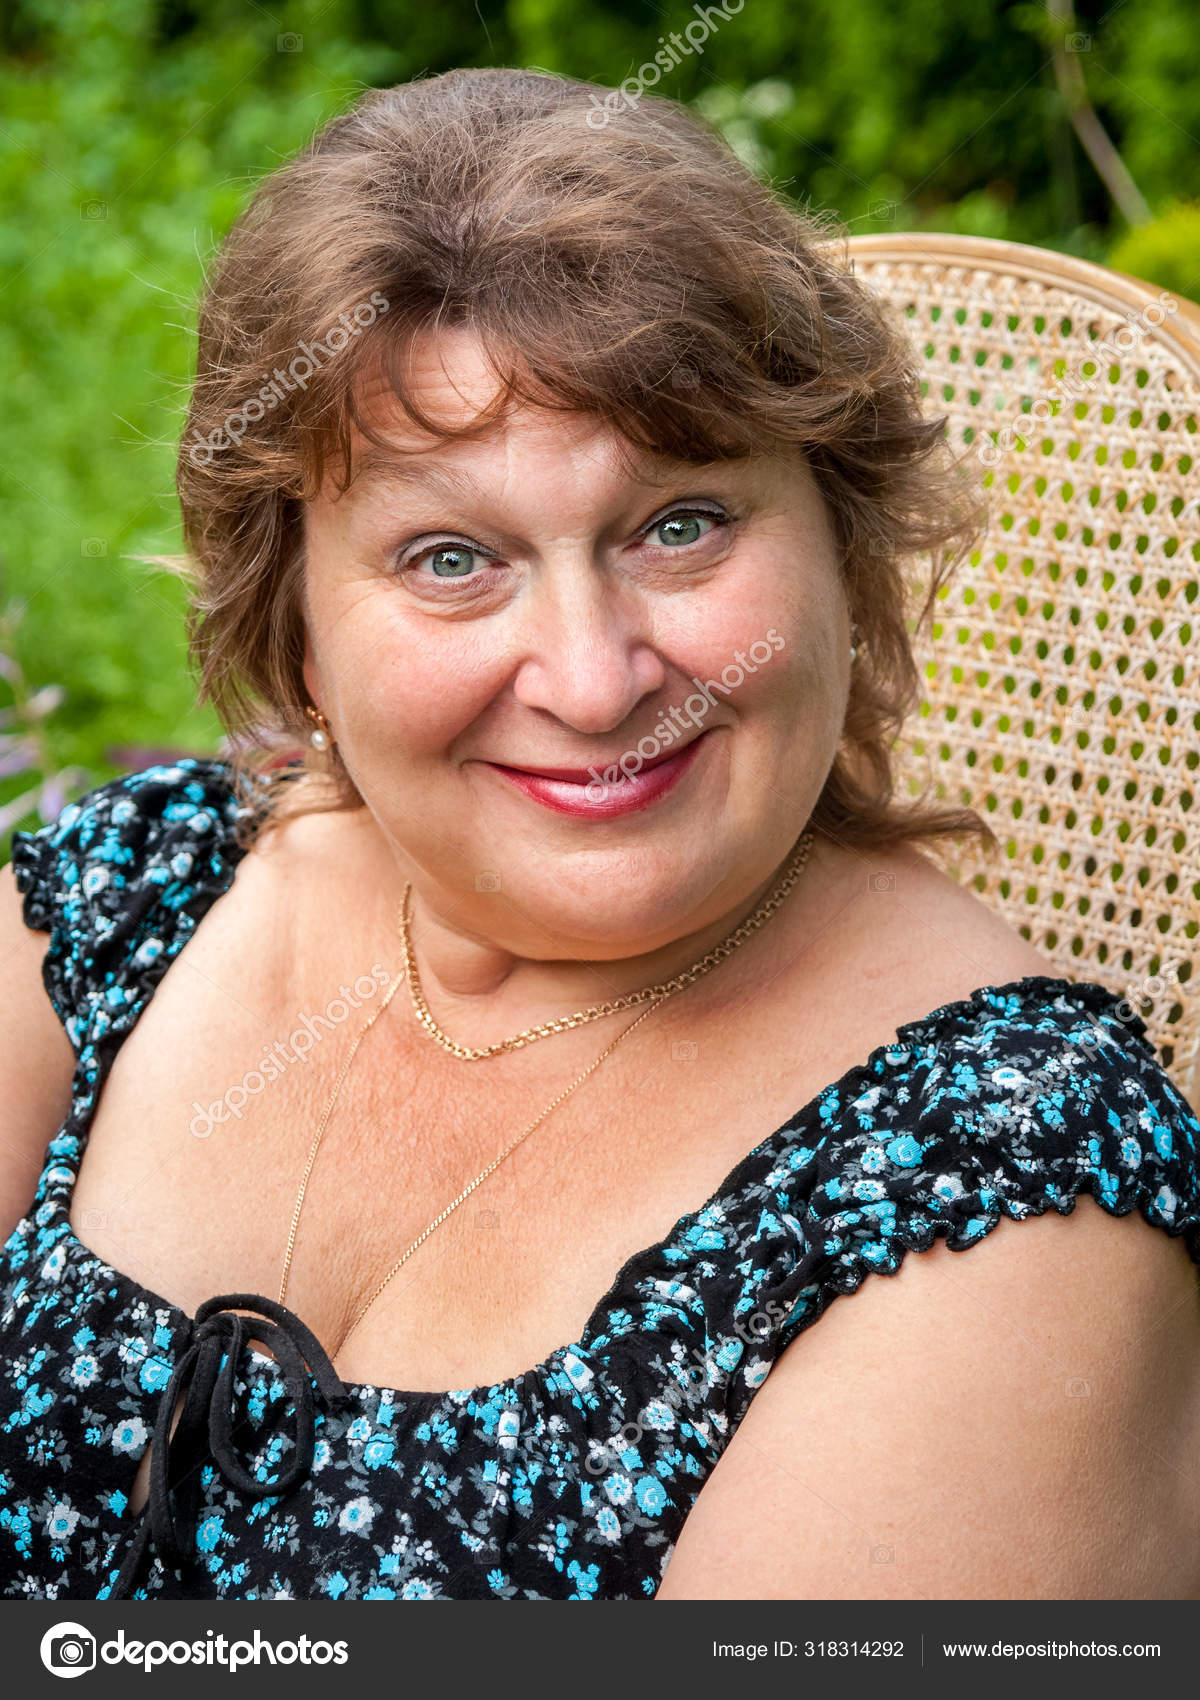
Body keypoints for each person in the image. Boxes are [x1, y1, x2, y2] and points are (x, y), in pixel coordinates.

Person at [1, 66, 1198, 1605]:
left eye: (680, 525)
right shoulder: (135, 898)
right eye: (449, 558)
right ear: (299, 631)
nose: (591, 677)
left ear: (846, 548)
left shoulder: (1001, 1196)